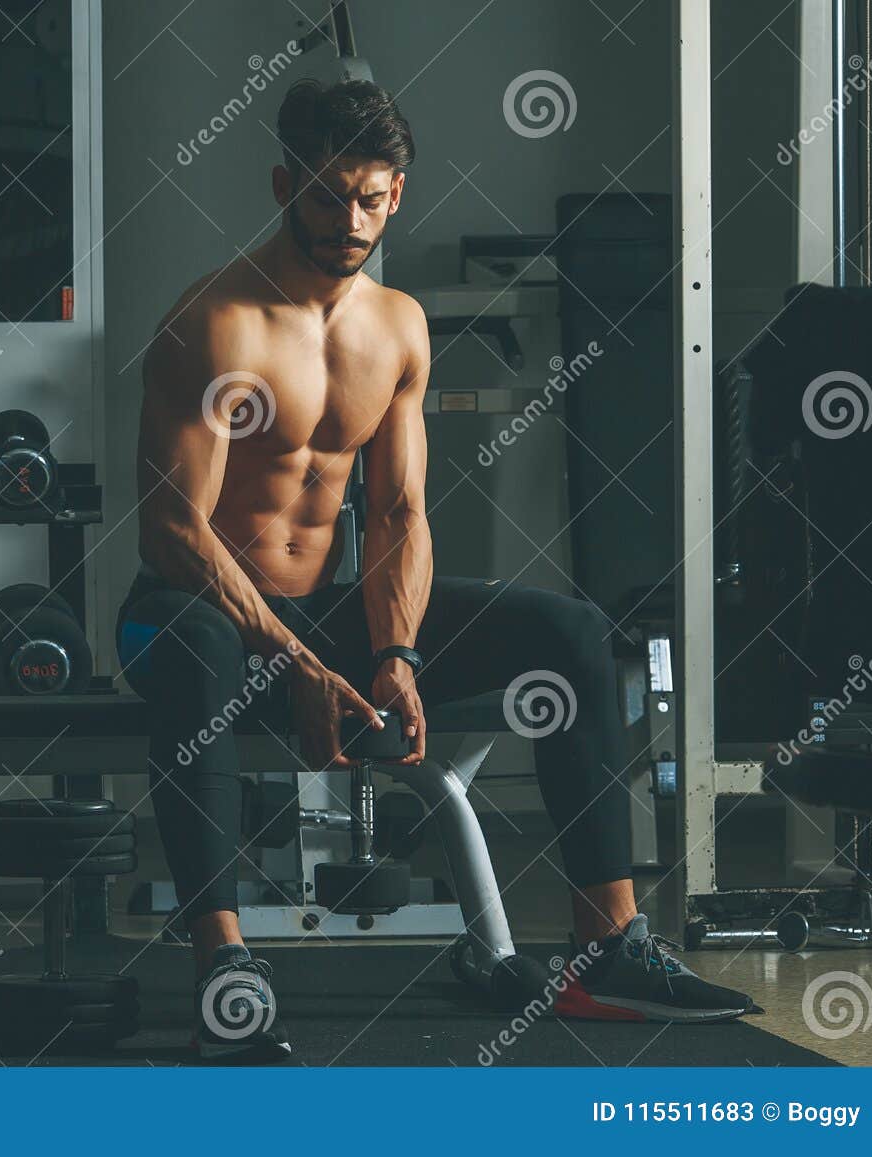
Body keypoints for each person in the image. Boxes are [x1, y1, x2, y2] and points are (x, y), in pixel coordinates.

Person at [120, 77, 754, 1061]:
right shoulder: (213, 322)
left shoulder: (397, 327)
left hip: (321, 617)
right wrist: (294, 663)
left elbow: (398, 512)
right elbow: (172, 529)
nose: (350, 219)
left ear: (397, 195)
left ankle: (603, 945)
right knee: (195, 636)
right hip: (186, 616)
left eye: (371, 197)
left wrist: (398, 653)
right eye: (329, 195)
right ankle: (224, 963)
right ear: (285, 183)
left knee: (570, 629)